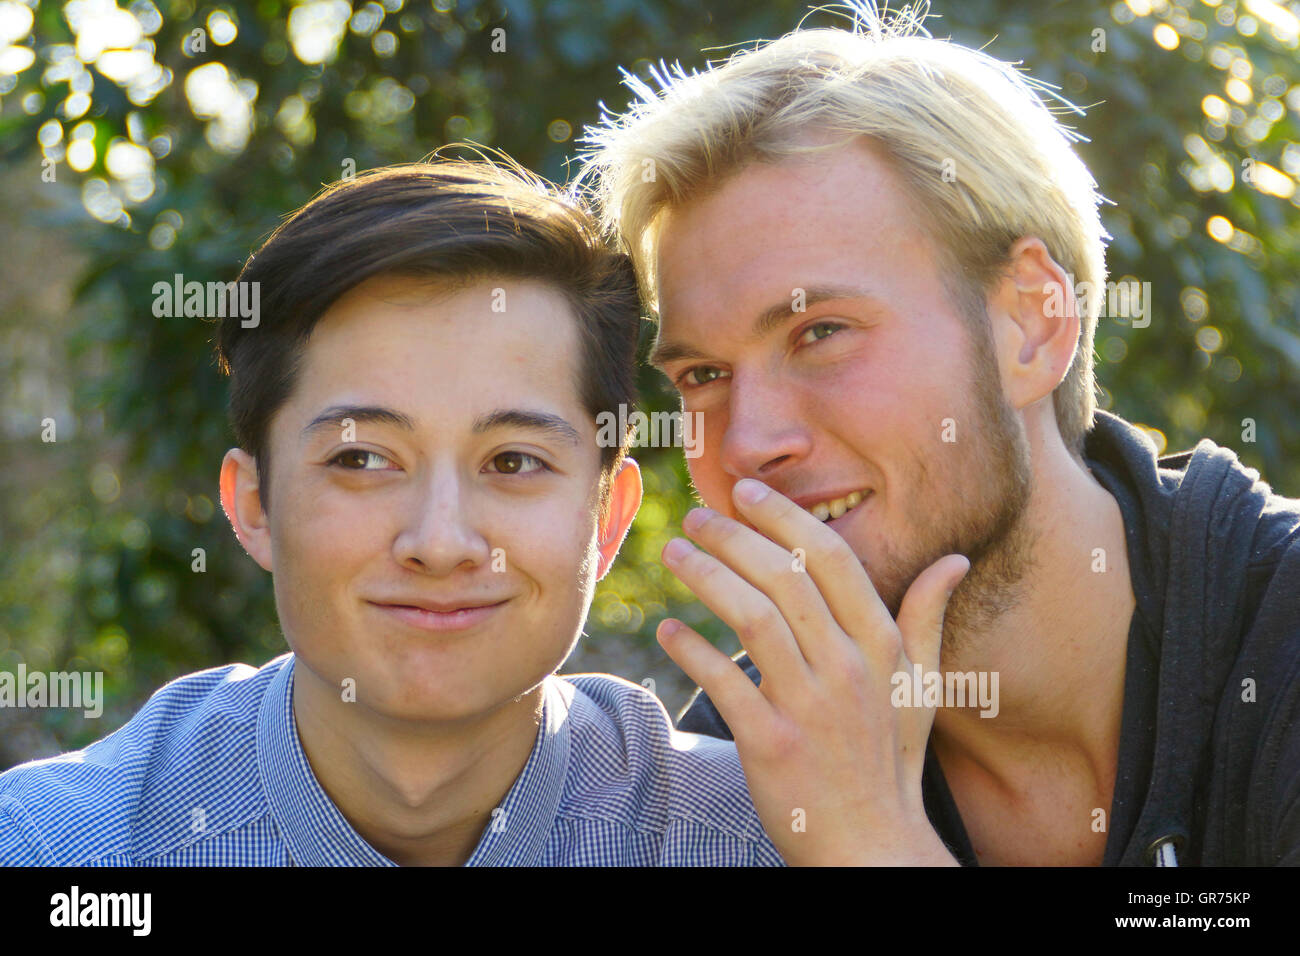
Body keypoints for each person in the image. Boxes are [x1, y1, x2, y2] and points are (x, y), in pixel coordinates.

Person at [578, 9, 1300, 865]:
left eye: (821, 333)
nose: (748, 444)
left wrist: (872, 840)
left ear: (1032, 324)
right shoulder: (739, 769)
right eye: (703, 374)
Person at [0, 158, 783, 866]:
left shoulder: (758, 842)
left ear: (606, 518)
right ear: (254, 505)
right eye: (361, 459)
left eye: (513, 462)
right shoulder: (60, 851)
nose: (439, 543)